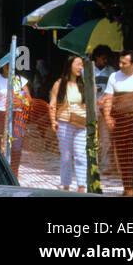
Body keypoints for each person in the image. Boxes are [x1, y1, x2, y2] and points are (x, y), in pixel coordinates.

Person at [49, 54, 92, 192]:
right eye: (78, 64)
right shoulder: (59, 84)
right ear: (69, 66)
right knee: (66, 155)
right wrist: (53, 121)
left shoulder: (84, 84)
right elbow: (53, 104)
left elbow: (89, 104)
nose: (80, 68)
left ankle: (81, 186)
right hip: (64, 123)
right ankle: (66, 185)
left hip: (80, 124)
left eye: (82, 65)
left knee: (80, 154)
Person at [104, 49, 133, 197]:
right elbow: (108, 98)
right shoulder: (114, 77)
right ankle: (128, 188)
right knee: (123, 155)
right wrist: (107, 116)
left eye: (124, 63)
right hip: (120, 122)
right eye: (119, 62)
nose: (120, 65)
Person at [0, 59, 29, 176]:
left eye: (10, 65)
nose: (8, 67)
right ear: (2, 66)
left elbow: (28, 99)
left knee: (16, 146)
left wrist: (20, 102)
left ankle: (14, 171)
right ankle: (0, 172)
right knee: (0, 145)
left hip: (16, 115)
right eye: (6, 65)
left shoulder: (20, 80)